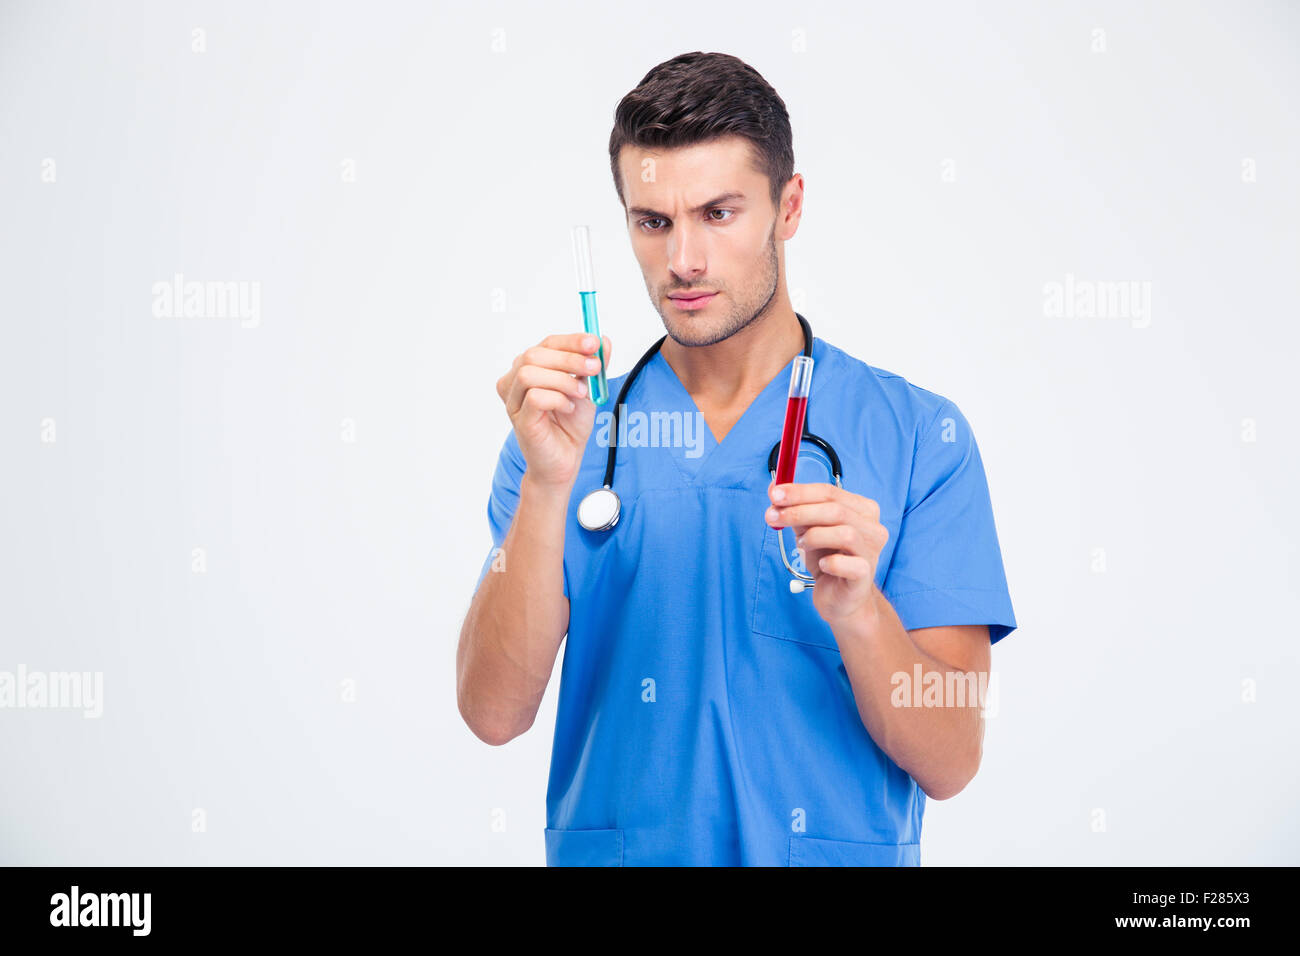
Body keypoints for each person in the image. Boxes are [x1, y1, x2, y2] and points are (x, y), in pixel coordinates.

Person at [456, 51, 1017, 866]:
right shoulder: (566, 436)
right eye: (653, 221)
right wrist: (546, 487)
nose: (683, 260)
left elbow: (953, 757)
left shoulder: (917, 436)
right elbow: (492, 713)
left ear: (789, 206)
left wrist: (860, 611)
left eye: (718, 213)